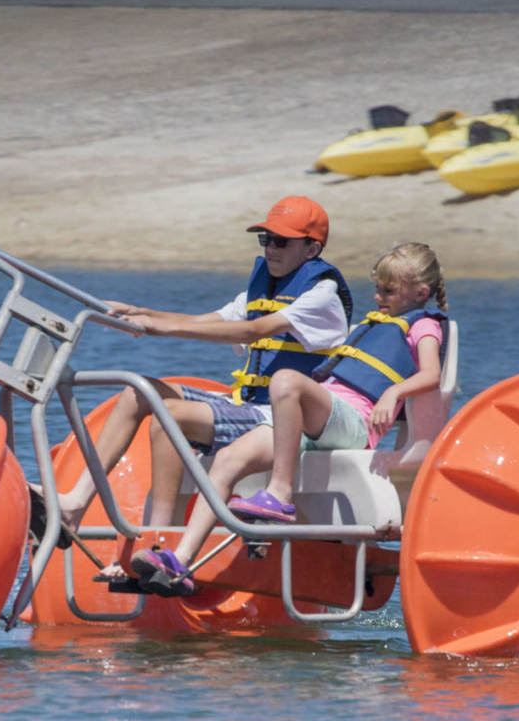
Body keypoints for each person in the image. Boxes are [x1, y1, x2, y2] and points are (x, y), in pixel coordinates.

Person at [127, 242, 447, 594]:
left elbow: (431, 374)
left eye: (387, 290)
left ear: (420, 293)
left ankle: (278, 494)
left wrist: (393, 392)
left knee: (286, 380)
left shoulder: (424, 325)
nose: (376, 297)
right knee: (227, 461)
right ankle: (180, 561)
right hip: (315, 422)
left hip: (351, 426)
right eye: (376, 288)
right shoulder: (380, 324)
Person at [40, 196, 353, 552]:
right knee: (137, 393)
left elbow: (252, 331)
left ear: (312, 248)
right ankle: (76, 502)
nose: (271, 249)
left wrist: (161, 330)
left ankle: (158, 541)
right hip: (248, 403)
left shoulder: (322, 294)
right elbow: (204, 321)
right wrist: (140, 312)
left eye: (282, 241)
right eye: (266, 240)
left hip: (278, 420)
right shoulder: (262, 287)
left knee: (167, 415)